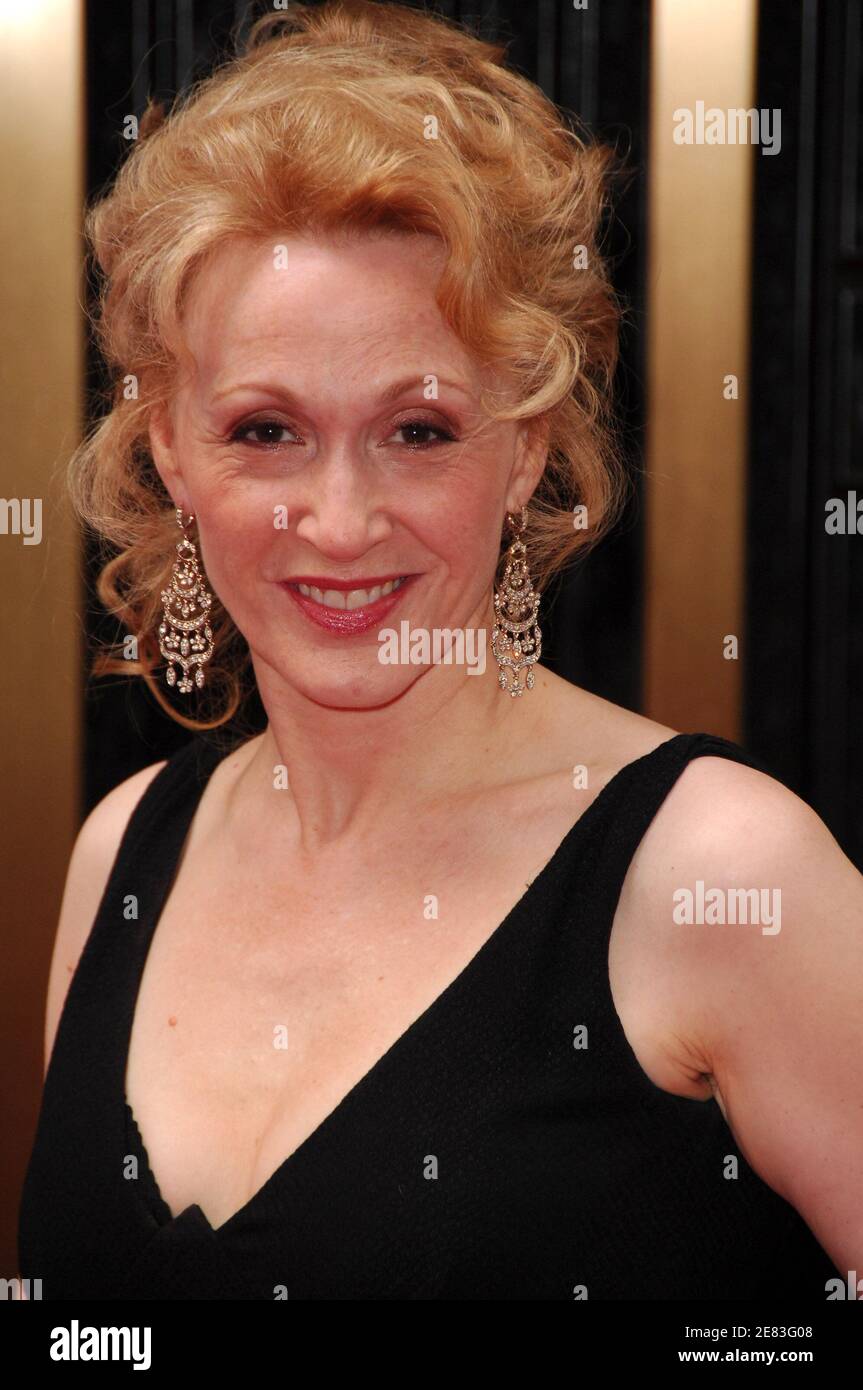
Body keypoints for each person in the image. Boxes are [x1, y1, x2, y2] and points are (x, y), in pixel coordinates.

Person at [18, 0, 862, 1300]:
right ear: (169, 451)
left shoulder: (720, 876)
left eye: (417, 430)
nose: (343, 521)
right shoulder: (121, 851)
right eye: (263, 430)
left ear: (525, 447)